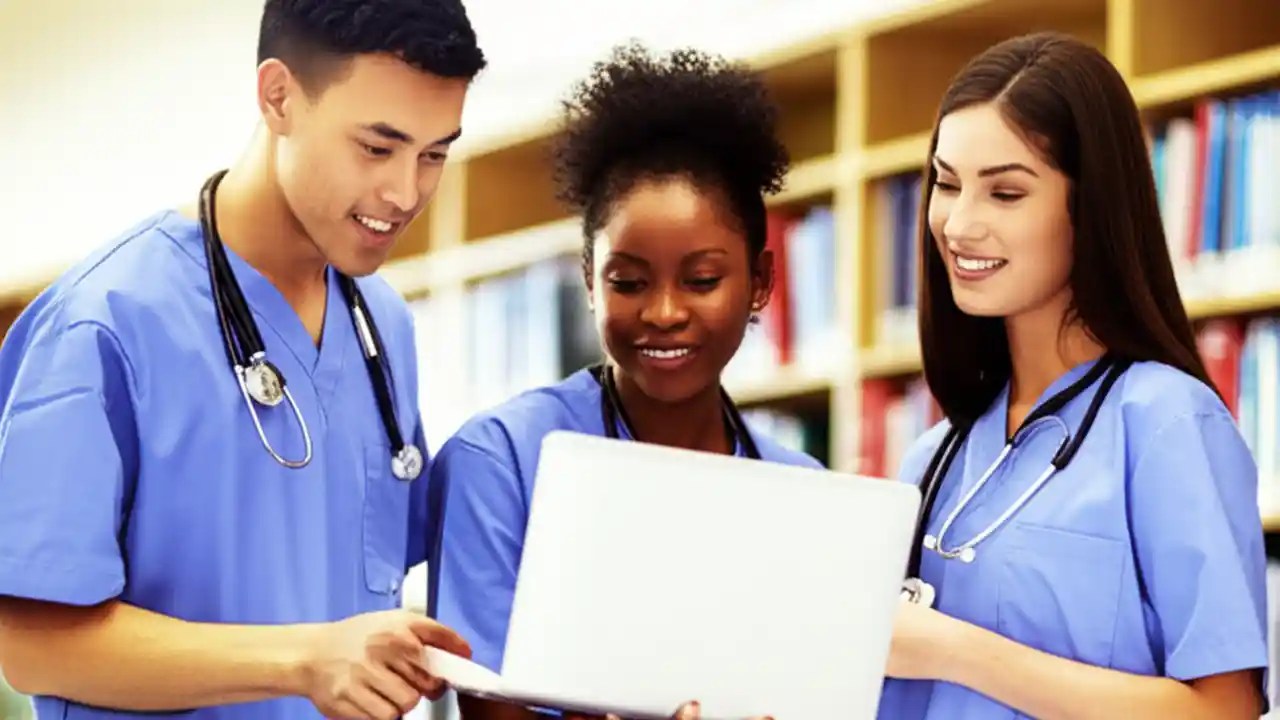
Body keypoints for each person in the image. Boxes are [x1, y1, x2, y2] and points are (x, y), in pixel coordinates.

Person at [0, 2, 486, 719]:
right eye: (376, 148)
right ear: (278, 96)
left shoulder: (381, 325)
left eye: (434, 154)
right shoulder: (106, 323)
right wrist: (303, 662)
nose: (405, 192)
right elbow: (28, 645)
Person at [878, 31, 1269, 719]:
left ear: (1090, 208)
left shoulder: (1166, 422)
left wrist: (953, 650)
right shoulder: (932, 458)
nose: (958, 225)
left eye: (1005, 192)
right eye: (947, 184)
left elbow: (1223, 709)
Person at [425, 42, 819, 720]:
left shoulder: (804, 492)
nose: (663, 312)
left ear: (761, 282)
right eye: (629, 283)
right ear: (589, 282)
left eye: (702, 280)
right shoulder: (500, 460)